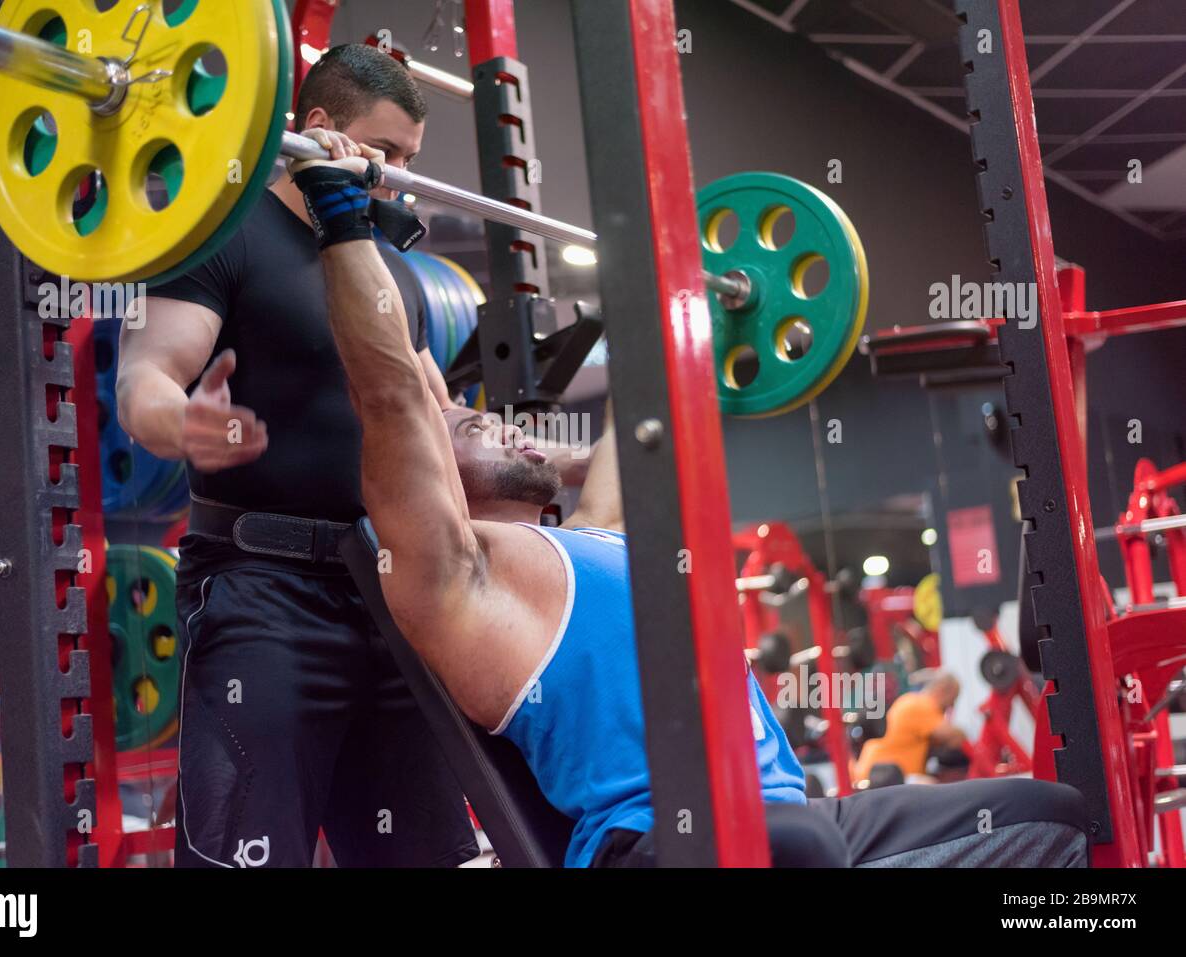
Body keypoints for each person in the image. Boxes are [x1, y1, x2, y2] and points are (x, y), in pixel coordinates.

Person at [286, 136, 1089, 869]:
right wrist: (339, 213)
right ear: (434, 471)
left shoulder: (597, 536)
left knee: (1051, 817)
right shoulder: (458, 581)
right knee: (794, 846)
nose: (498, 420)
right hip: (660, 839)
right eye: (472, 423)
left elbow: (649, 409)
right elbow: (394, 391)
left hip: (788, 814)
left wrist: (687, 290)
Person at [114, 45, 585, 868]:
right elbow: (144, 377)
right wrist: (178, 419)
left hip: (390, 590)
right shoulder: (219, 237)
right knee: (247, 856)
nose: (397, 175)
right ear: (319, 129)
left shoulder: (383, 269)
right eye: (387, 151)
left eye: (409, 158)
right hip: (261, 593)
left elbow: (440, 419)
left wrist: (592, 461)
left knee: (431, 856)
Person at [855, 673, 966, 782]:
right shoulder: (922, 705)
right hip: (884, 777)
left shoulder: (911, 700)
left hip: (883, 773)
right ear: (943, 690)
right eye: (953, 698)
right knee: (934, 787)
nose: (952, 705)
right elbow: (954, 737)